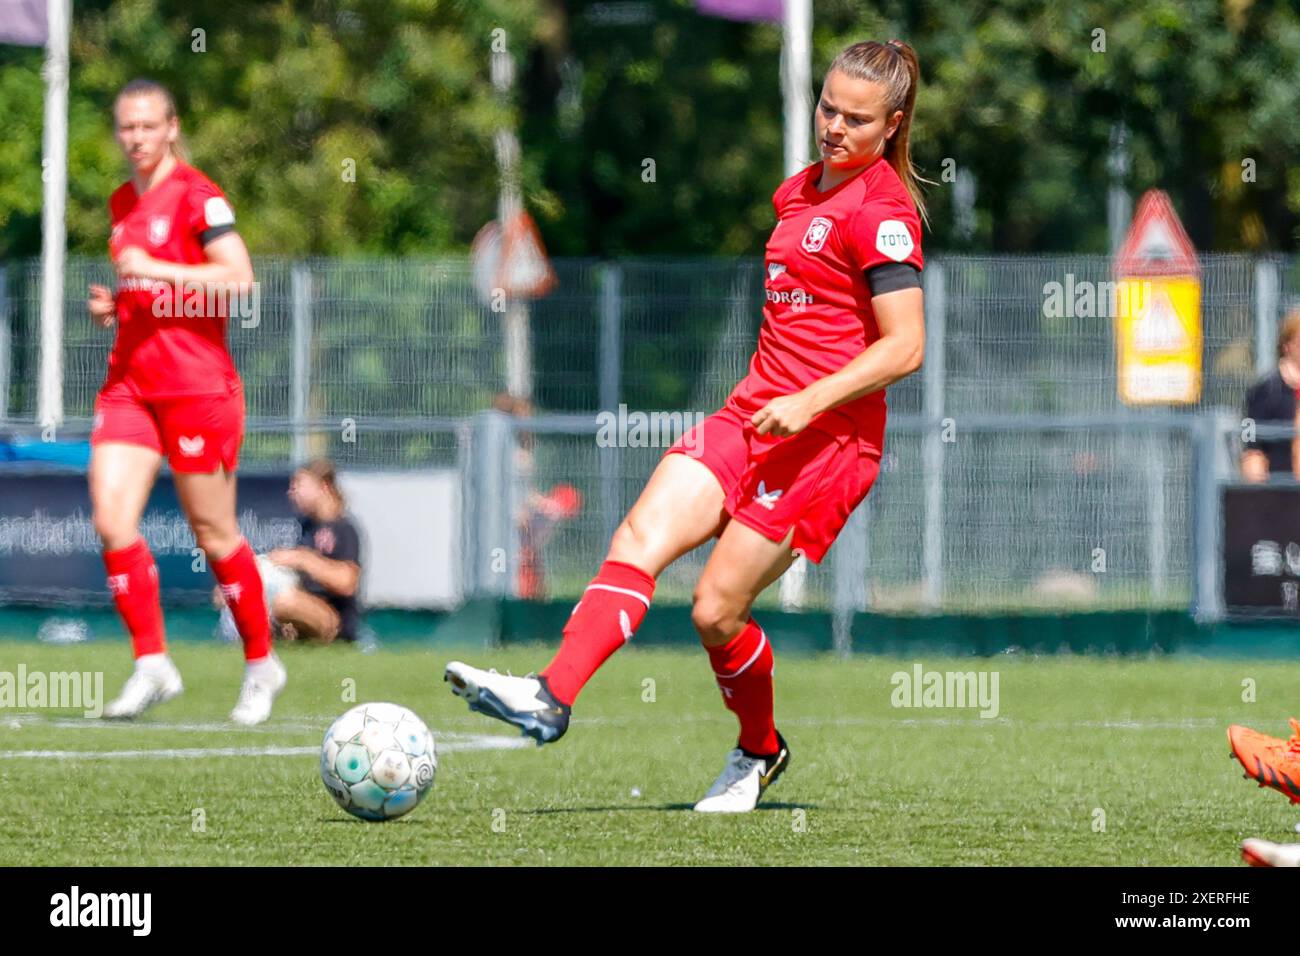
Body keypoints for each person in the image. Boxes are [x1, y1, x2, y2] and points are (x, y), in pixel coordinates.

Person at [445, 39, 928, 812]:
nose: (834, 125)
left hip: (827, 443)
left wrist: (810, 401)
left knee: (714, 610)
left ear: (893, 124)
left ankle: (759, 750)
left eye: (856, 118)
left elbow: (906, 345)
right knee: (639, 536)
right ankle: (551, 695)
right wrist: (778, 395)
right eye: (828, 106)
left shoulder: (884, 213)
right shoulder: (795, 193)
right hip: (751, 415)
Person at [90, 78, 285, 724]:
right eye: (127, 128)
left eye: (148, 126)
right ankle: (153, 662)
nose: (136, 138)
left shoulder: (200, 198)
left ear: (172, 126)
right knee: (112, 520)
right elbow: (143, 286)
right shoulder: (123, 200)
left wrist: (157, 271)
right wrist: (116, 304)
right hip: (130, 386)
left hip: (197, 389)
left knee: (214, 532)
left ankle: (261, 664)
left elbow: (238, 280)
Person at [264, 459, 364, 643]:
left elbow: (347, 582)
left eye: (299, 484)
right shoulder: (306, 527)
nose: (292, 491)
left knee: (286, 602)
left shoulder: (344, 528)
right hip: (307, 611)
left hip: (334, 622)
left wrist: (304, 559)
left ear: (323, 486)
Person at [1241, 310, 1300, 482]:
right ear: (1287, 346)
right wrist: (1251, 456)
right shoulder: (1266, 389)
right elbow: (1248, 430)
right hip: (1280, 485)